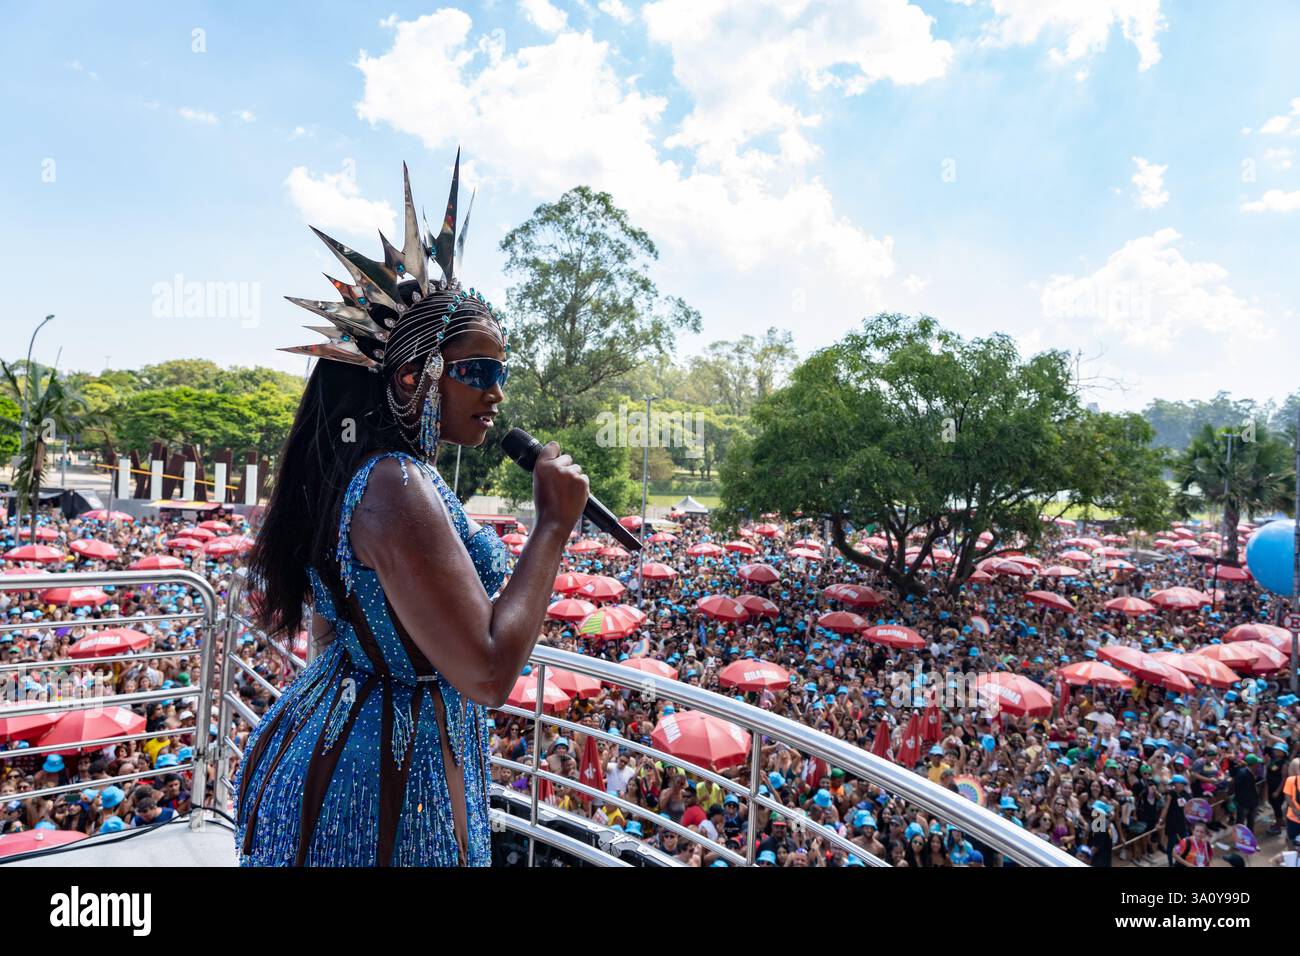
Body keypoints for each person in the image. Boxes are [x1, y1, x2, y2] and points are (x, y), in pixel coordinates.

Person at [233, 159, 590, 867]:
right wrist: (553, 527)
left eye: (502, 374)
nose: (496, 394)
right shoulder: (397, 486)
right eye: (479, 372)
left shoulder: (362, 472)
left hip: (344, 734)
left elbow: (330, 629)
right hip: (381, 786)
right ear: (410, 377)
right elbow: (488, 675)